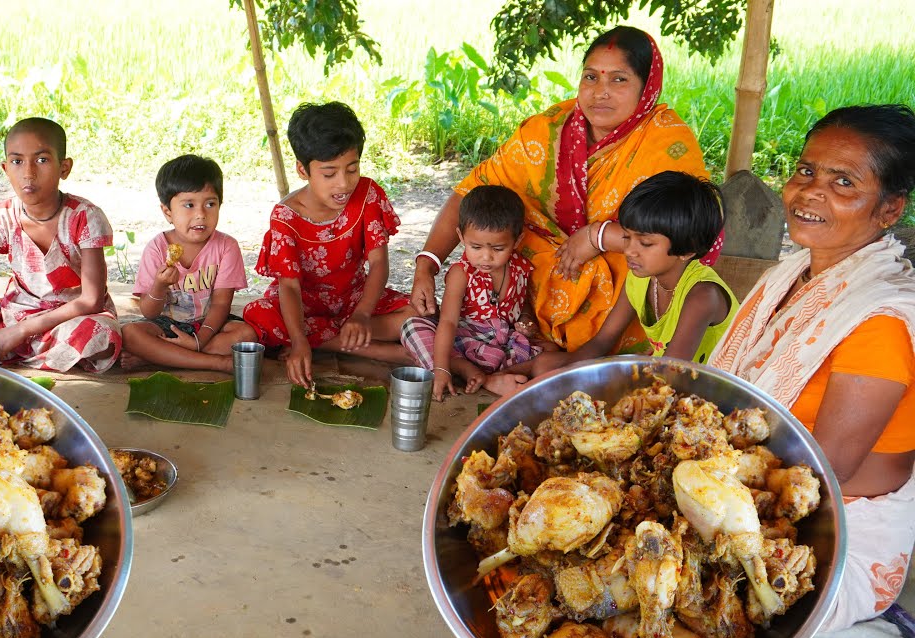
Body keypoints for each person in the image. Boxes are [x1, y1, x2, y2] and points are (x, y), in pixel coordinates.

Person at [408, 26, 718, 396]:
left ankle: (549, 362)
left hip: (623, 299)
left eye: (619, 79)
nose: (600, 91)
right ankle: (524, 348)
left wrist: (598, 236)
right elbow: (472, 192)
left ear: (646, 86)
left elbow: (690, 234)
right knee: (502, 238)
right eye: (591, 77)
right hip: (539, 296)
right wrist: (427, 263)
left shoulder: (666, 143)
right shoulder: (547, 129)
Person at [709, 104, 915, 632]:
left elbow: (821, 476)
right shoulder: (793, 274)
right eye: (806, 171)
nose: (810, 192)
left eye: (843, 182)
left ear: (890, 210)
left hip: (835, 530)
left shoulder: (878, 322)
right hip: (756, 486)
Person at [242, 101, 417, 387]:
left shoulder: (367, 194)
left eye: (352, 169)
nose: (344, 184)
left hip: (355, 299)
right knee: (260, 316)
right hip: (305, 307)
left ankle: (328, 341)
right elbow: (289, 286)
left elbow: (379, 263)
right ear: (302, 169)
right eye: (329, 173)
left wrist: (361, 313)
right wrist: (299, 339)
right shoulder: (286, 216)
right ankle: (373, 348)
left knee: (420, 313)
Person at [529, 171, 735, 376]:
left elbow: (668, 376)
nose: (628, 251)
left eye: (645, 243)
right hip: (664, 374)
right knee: (546, 365)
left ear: (687, 251)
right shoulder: (640, 279)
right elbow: (602, 341)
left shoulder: (703, 297)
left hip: (707, 391)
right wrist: (567, 370)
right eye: (626, 237)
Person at [0, 117, 121, 373]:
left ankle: (8, 351)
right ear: (6, 168)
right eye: (17, 162)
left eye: (42, 160)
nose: (28, 173)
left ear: (64, 168)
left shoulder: (84, 217)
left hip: (72, 316)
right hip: (19, 310)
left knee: (101, 335)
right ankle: (20, 349)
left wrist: (23, 331)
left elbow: (91, 300)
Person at [399, 185, 547, 400]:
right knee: (414, 326)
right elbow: (448, 322)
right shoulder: (462, 273)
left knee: (549, 353)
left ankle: (481, 374)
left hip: (503, 343)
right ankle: (463, 369)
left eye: (498, 249)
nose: (486, 258)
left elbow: (520, 302)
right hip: (465, 342)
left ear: (517, 241)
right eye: (476, 247)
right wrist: (440, 370)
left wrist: (526, 319)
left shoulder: (520, 267)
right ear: (461, 237)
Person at [121, 154, 256, 371]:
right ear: (168, 212)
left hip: (209, 324)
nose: (201, 214)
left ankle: (161, 357)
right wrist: (160, 285)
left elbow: (221, 304)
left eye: (210, 204)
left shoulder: (226, 246)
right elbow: (149, 312)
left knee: (246, 334)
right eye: (189, 205)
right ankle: (217, 363)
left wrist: (199, 340)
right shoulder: (156, 248)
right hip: (168, 325)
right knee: (130, 334)